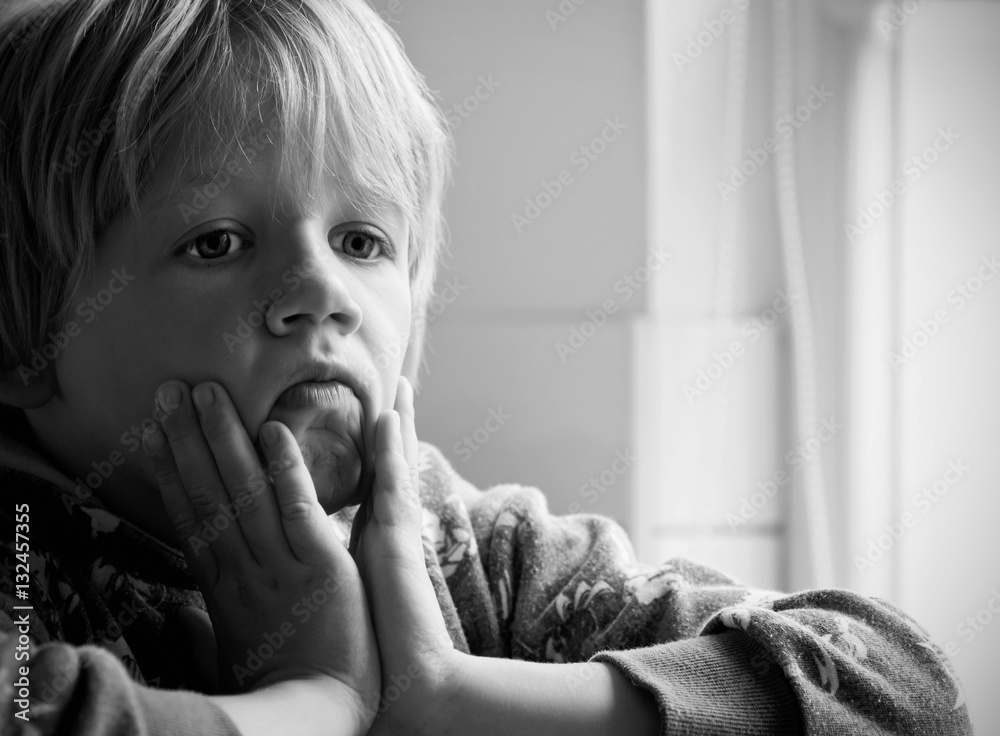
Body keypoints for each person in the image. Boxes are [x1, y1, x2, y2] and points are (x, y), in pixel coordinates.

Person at [0, 0, 973, 734]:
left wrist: (449, 694)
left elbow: (899, 692)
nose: (321, 291)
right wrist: (317, 698)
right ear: (23, 341)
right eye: (216, 241)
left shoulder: (467, 552)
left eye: (362, 240)